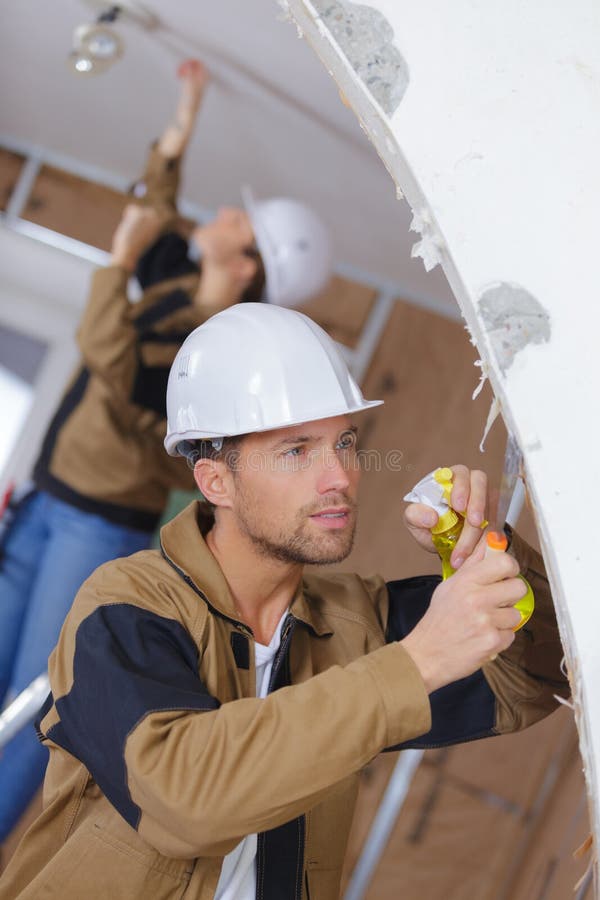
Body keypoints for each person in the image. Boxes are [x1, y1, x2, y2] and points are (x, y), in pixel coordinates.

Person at [0, 304, 568, 900]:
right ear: (216, 481)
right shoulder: (127, 607)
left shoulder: (354, 622)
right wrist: (417, 663)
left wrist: (488, 554)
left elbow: (538, 678)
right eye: (297, 451)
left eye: (344, 443)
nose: (340, 476)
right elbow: (184, 803)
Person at [0, 61, 332, 842]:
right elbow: (154, 209)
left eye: (242, 222)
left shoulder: (210, 359)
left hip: (96, 526)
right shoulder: (178, 282)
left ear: (245, 267)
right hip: (49, 500)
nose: (225, 211)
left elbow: (111, 358)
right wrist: (184, 117)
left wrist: (117, 263)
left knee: (31, 704)